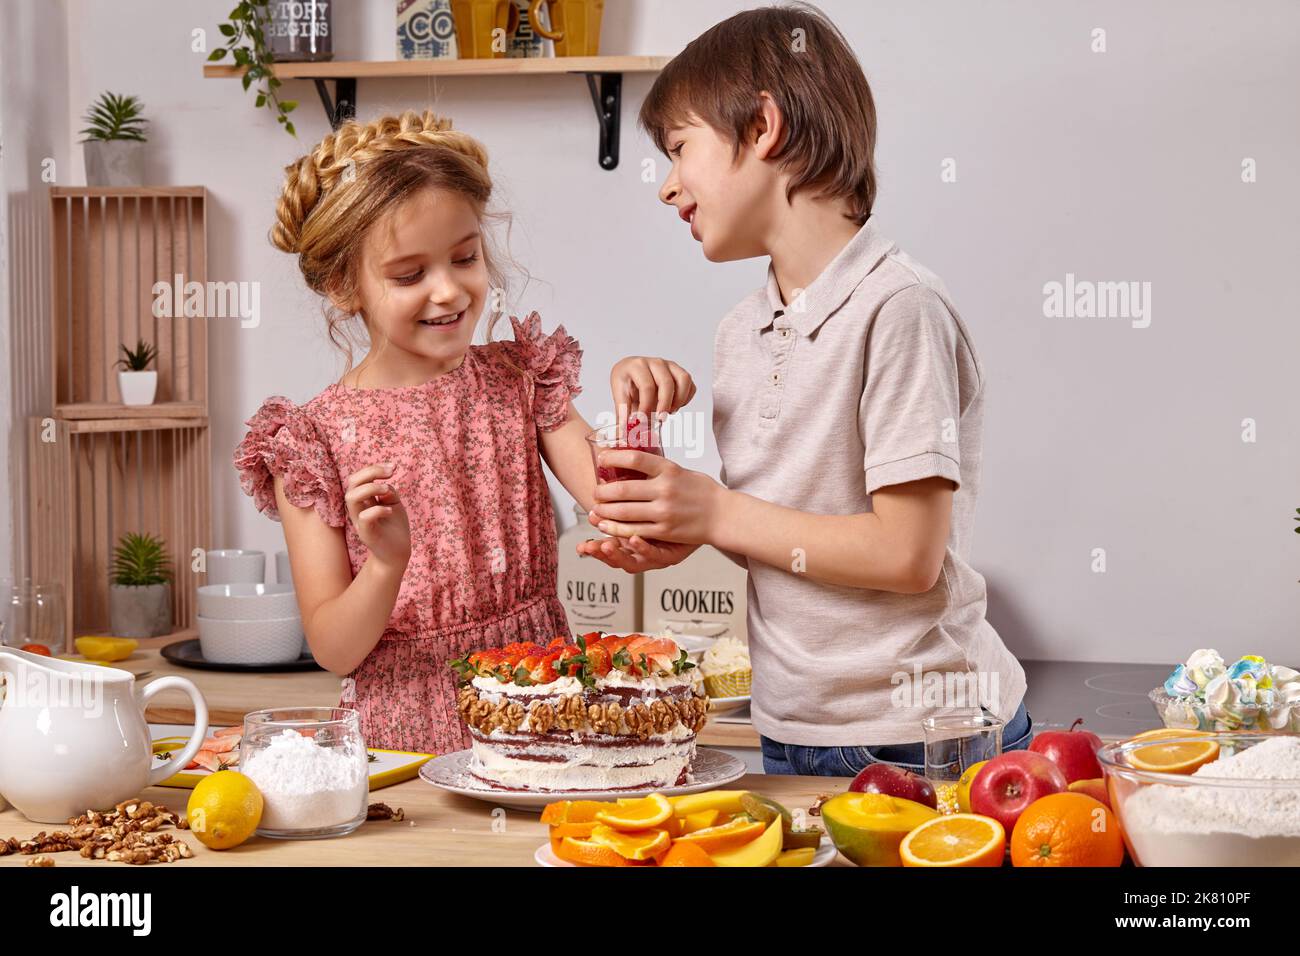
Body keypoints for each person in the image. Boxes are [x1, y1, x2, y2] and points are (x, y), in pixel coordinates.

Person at [579, 4, 1032, 777]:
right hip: (792, 725)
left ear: (762, 128)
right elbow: (792, 529)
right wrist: (686, 527)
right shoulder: (739, 331)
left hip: (919, 734)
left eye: (680, 148)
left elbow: (907, 554)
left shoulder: (898, 309)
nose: (667, 186)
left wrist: (716, 507)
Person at [233, 109, 695, 754]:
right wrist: (387, 563)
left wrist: (638, 402)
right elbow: (336, 650)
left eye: (465, 258)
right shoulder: (311, 441)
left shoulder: (520, 378)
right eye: (408, 274)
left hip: (545, 706)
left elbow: (626, 511)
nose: (449, 291)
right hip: (405, 739)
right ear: (344, 285)